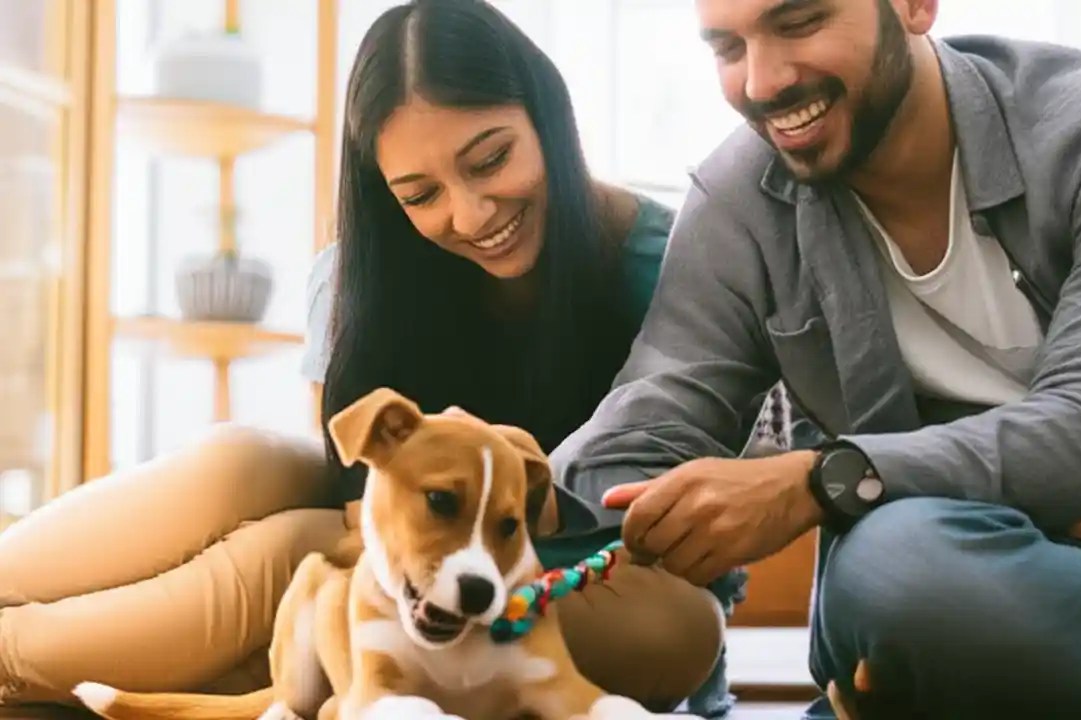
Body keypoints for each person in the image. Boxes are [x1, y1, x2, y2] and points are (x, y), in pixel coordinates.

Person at [550, 0, 1081, 718]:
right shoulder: (740, 203)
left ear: (913, 6)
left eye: (799, 22)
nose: (762, 82)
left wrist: (823, 480)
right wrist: (527, 493)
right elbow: (642, 427)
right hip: (972, 564)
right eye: (728, 49)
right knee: (894, 564)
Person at [0, 1, 731, 713]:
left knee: (299, 555)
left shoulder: (674, 263)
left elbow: (698, 512)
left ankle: (14, 652)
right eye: (420, 194)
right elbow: (353, 492)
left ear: (547, 115)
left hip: (597, 584)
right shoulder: (368, 273)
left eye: (492, 159)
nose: (472, 215)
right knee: (242, 461)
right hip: (405, 574)